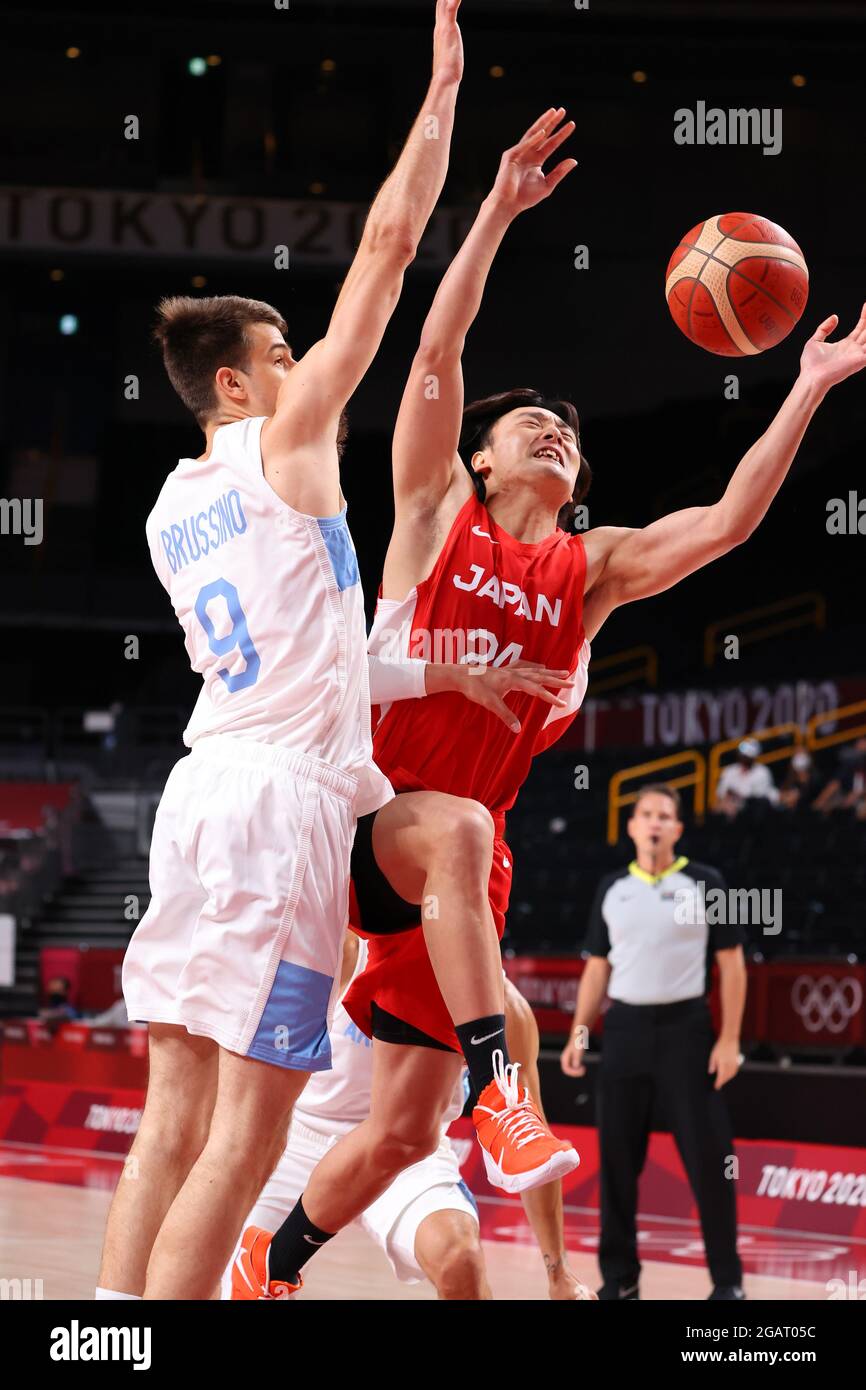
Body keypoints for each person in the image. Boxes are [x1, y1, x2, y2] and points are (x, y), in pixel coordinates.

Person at [240, 98, 866, 1293]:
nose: (552, 435)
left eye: (567, 435)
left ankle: (273, 1261)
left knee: (398, 1131)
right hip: (360, 811)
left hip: (457, 874)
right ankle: (505, 1087)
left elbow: (728, 524)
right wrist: (492, 212)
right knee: (461, 831)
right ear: (480, 456)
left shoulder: (591, 573)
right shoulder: (433, 516)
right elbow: (433, 357)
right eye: (532, 425)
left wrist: (809, 386)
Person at [97, 0, 543, 1303]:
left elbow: (299, 660)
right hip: (285, 810)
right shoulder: (289, 450)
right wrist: (443, 90)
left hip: (200, 798)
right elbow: (391, 246)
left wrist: (429, 672)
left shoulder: (175, 506)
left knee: (170, 1120)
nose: (304, 366)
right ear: (235, 385)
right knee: (242, 1140)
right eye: (280, 355)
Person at [228, 932, 595, 1300]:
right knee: (241, 1284)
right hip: (304, 1141)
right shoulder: (342, 950)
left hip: (411, 1153)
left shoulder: (500, 1006)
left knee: (459, 1259)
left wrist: (558, 1270)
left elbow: (532, 1144)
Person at [561, 784, 748, 1301]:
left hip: (687, 1033)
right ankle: (620, 1282)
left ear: (678, 829)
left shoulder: (708, 883)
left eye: (665, 815)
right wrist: (580, 1031)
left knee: (711, 1160)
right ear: (632, 826)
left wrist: (729, 1038)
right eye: (646, 814)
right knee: (617, 1163)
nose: (655, 823)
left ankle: (727, 1284)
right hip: (624, 1033)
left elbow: (732, 966)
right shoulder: (612, 887)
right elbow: (596, 967)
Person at [714, 737, 780, 819]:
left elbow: (755, 798)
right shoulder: (730, 771)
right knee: (718, 808)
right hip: (732, 807)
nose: (743, 758)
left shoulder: (762, 772)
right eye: (742, 755)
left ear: (753, 757)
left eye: (747, 757)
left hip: (754, 811)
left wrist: (735, 796)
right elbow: (721, 793)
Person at [814, 736, 866, 819]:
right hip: (845, 792)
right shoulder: (851, 761)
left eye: (863, 743)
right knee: (827, 805)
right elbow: (835, 783)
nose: (861, 745)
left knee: (862, 810)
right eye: (860, 742)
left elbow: (858, 791)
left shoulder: (861, 761)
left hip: (859, 797)